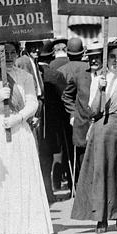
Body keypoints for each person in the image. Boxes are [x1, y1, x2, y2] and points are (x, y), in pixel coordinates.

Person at [0, 42, 53, 234]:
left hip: (18, 128)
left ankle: (19, 227)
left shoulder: (25, 76)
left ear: (18, 53)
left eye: (12, 52)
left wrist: (20, 117)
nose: (8, 56)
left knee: (18, 179)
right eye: (3, 52)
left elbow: (33, 102)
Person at [71, 39, 117, 233]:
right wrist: (101, 90)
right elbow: (93, 111)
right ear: (106, 59)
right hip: (103, 130)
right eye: (112, 57)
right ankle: (101, 218)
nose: (116, 61)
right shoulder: (98, 80)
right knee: (102, 173)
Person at [37, 40, 70, 202]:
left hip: (36, 122)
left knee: (41, 157)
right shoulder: (55, 75)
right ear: (51, 57)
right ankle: (49, 192)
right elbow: (65, 98)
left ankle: (44, 192)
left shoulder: (31, 73)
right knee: (49, 158)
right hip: (53, 123)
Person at [58, 37, 91, 192]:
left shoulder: (61, 70)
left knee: (70, 151)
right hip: (85, 115)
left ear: (67, 52)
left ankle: (73, 185)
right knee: (85, 150)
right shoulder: (88, 68)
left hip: (66, 116)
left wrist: (71, 112)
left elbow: (63, 95)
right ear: (83, 52)